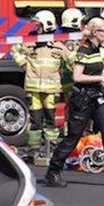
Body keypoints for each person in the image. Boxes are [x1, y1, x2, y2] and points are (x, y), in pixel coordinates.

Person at [44, 17, 104, 187]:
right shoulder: (84, 50)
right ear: (96, 33)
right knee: (73, 136)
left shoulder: (97, 49)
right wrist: (100, 78)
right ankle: (53, 171)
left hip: (97, 97)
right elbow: (77, 76)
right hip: (83, 99)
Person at [11, 10, 65, 148]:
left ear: (47, 25)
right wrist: (23, 63)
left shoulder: (58, 43)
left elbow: (70, 59)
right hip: (33, 87)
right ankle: (34, 147)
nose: (37, 28)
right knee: (36, 119)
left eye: (39, 25)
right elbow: (14, 49)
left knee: (51, 119)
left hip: (51, 89)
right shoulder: (30, 40)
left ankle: (51, 145)